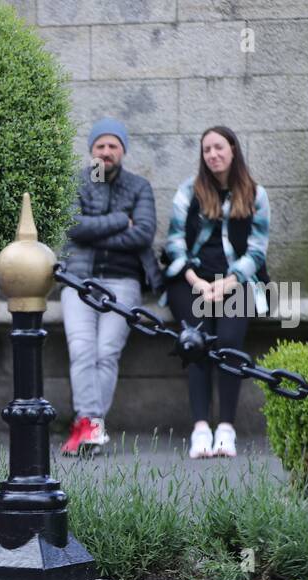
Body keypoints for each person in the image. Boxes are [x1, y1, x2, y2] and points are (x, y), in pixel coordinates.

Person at [162, 125, 271, 459]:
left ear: (233, 150)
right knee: (195, 341)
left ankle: (226, 427)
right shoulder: (188, 191)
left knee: (228, 342)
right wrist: (197, 281)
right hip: (192, 280)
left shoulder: (255, 195)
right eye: (207, 149)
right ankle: (200, 429)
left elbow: (257, 251)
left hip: (236, 282)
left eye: (219, 147)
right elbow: (174, 243)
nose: (213, 155)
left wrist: (229, 282)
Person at [57, 118, 162, 455]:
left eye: (113, 145)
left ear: (123, 150)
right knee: (82, 349)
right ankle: (91, 424)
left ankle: (86, 425)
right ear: (91, 150)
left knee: (107, 351)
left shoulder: (139, 186)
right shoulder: (78, 182)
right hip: (79, 281)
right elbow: (74, 228)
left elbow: (143, 233)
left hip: (124, 281)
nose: (106, 152)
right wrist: (120, 221)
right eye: (100, 145)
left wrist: (97, 230)